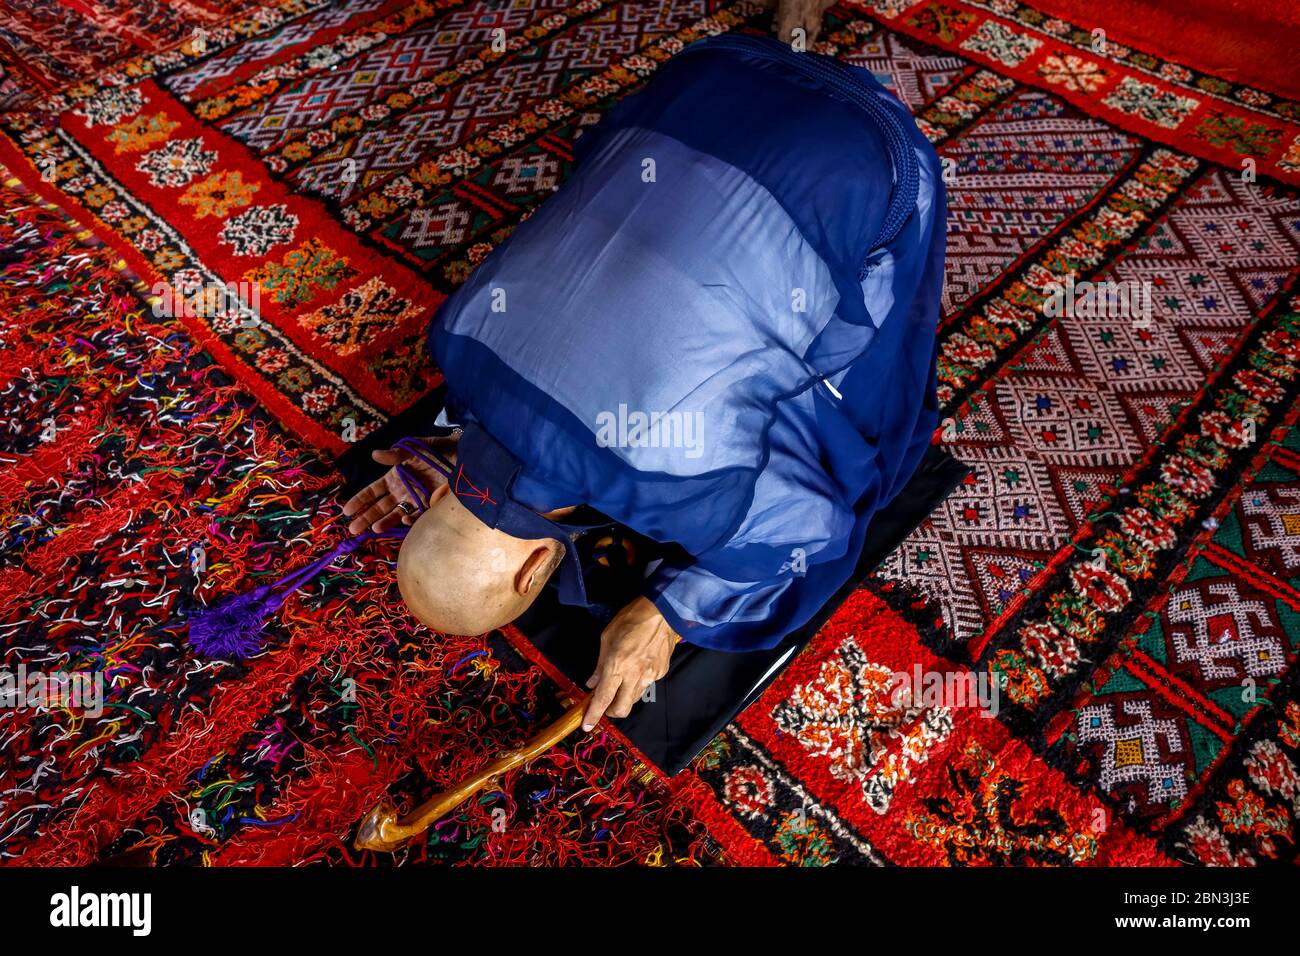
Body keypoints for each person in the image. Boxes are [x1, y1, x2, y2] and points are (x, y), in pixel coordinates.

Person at [341, 33, 947, 734]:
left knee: (855, 383)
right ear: (438, 489)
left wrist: (667, 614)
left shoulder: (684, 484)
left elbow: (809, 534)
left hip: (874, 147)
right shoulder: (456, 337)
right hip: (708, 73)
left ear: (532, 574)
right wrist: (460, 451)